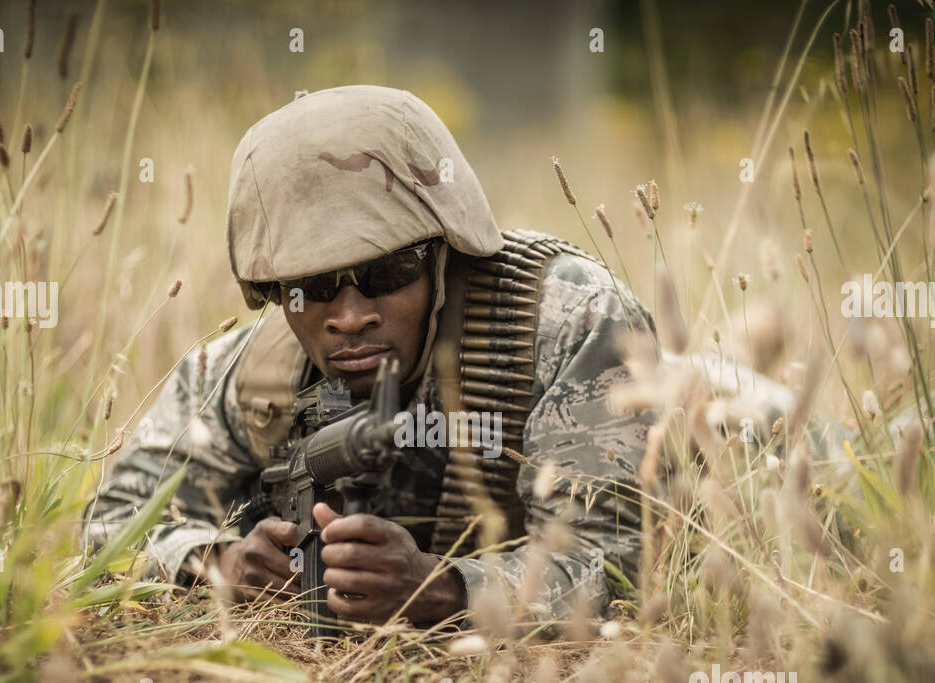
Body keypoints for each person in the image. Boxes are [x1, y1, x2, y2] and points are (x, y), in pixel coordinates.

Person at [81, 84, 659, 630]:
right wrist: (217, 563)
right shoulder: (248, 375)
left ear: (444, 255)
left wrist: (446, 589)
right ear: (275, 290)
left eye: (388, 271)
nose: (351, 316)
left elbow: (619, 562)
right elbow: (110, 525)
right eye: (315, 283)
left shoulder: (571, 323)